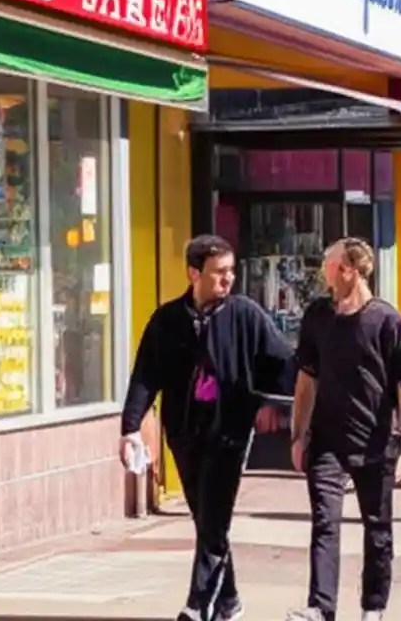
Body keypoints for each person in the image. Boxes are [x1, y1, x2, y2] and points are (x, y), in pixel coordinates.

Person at [120, 235, 294, 621]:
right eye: (219, 272)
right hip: (184, 431)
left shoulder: (245, 314)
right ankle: (229, 601)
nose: (227, 280)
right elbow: (145, 376)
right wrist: (131, 426)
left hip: (230, 430)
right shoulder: (167, 321)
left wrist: (272, 404)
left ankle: (199, 605)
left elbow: (283, 361)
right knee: (205, 516)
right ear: (193, 273)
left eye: (231, 271)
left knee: (215, 513)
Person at [286, 238, 401, 621]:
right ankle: (321, 607)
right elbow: (306, 379)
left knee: (377, 528)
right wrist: (298, 434)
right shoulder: (318, 316)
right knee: (324, 522)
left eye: (329, 265)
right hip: (326, 442)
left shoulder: (387, 321)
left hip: (376, 442)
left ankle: (373, 608)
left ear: (348, 270)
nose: (323, 271)